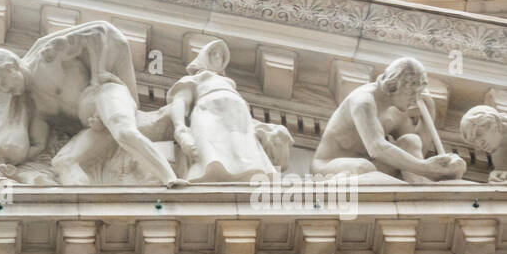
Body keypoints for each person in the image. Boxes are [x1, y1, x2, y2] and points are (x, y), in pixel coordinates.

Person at [0, 21, 183, 188]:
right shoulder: (34, 105)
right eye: (0, 90)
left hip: (105, 95)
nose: (6, 91)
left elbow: (98, 32)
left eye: (4, 83)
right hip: (94, 126)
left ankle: (171, 179)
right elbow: (38, 146)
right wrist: (7, 166)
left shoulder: (47, 58)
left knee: (124, 132)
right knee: (62, 162)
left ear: (12, 66)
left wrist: (97, 75)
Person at [312, 56, 465, 183]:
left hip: (372, 168)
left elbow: (414, 156)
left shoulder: (398, 109)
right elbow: (377, 148)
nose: (415, 100)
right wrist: (426, 168)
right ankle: (413, 193)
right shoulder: (363, 102)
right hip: (329, 168)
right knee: (363, 168)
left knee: (411, 140)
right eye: (412, 93)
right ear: (395, 86)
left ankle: (423, 191)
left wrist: (430, 111)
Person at [165, 39, 277, 183]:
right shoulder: (196, 78)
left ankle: (248, 172)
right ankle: (211, 173)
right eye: (214, 54)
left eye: (221, 56)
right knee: (211, 150)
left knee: (243, 151)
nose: (218, 57)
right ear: (204, 56)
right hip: (209, 113)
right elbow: (180, 101)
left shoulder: (229, 84)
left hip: (238, 120)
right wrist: (180, 127)